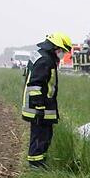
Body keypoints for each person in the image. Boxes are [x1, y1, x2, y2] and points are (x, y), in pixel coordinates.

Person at [21, 32, 72, 167]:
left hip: (40, 107)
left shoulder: (42, 56)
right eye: (63, 51)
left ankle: (40, 162)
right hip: (39, 109)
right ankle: (36, 166)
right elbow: (35, 85)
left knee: (44, 135)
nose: (63, 54)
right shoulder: (45, 61)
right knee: (40, 137)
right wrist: (39, 107)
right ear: (56, 47)